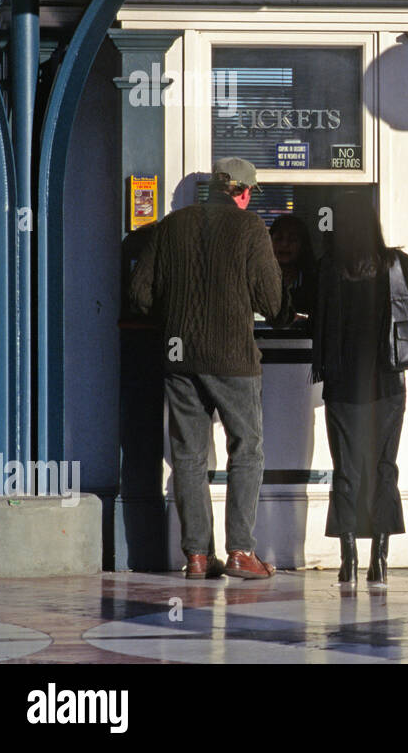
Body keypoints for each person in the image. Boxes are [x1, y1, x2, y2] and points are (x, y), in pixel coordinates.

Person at [129, 157, 291, 580]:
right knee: (247, 450)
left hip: (179, 356)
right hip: (232, 357)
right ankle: (240, 552)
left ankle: (198, 557)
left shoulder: (170, 226)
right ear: (243, 192)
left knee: (188, 455)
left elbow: (140, 294)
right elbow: (273, 303)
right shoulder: (251, 228)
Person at [311, 192, 408, 587]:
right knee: (384, 468)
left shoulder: (327, 267)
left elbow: (310, 314)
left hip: (342, 386)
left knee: (346, 469)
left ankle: (348, 559)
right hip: (388, 383)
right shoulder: (398, 264)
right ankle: (380, 558)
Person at [270, 213, 317, 316]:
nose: (284, 244)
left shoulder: (316, 283)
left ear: (302, 245)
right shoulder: (257, 280)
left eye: (292, 239)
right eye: (279, 238)